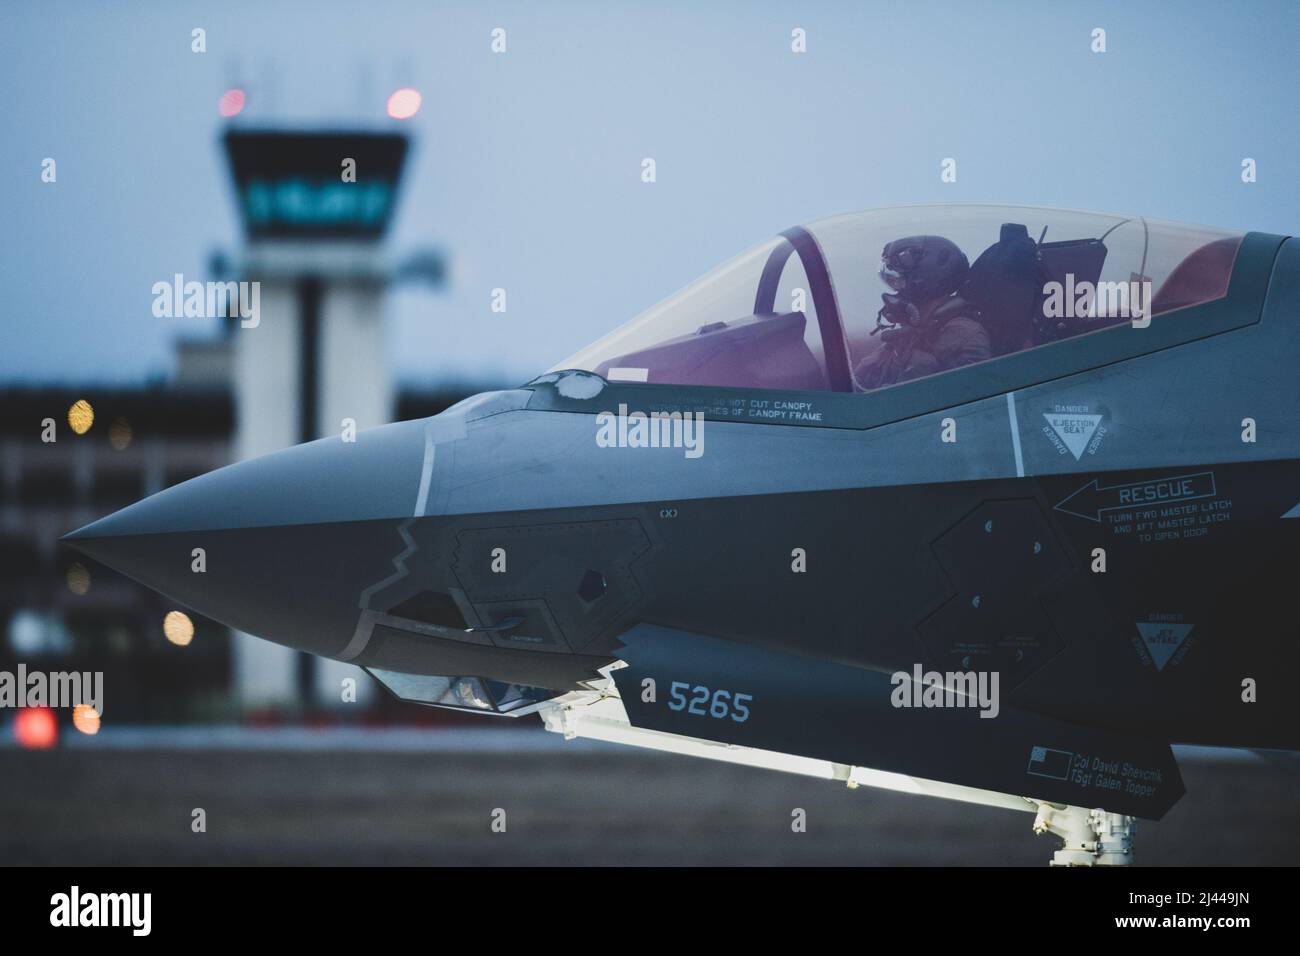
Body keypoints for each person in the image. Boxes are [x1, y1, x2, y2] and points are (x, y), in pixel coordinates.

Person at [854, 235, 991, 390]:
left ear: (923, 284)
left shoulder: (966, 334)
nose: (896, 294)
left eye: (899, 283)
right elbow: (859, 383)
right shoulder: (915, 330)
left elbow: (976, 399)